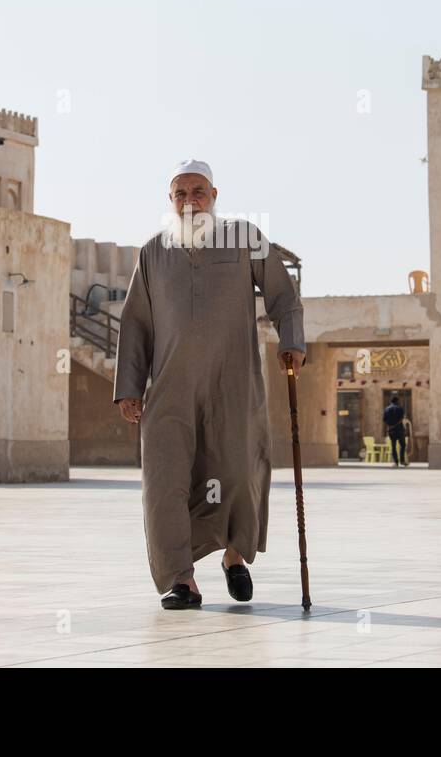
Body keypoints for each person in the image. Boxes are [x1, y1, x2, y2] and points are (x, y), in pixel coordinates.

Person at [113, 159, 307, 610]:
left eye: (197, 192)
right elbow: (135, 324)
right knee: (164, 485)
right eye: (180, 194)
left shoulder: (245, 239)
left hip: (232, 385)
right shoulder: (153, 252)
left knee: (238, 474)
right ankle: (182, 580)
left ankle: (235, 555)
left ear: (214, 197)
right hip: (169, 390)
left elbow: (283, 295)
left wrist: (291, 341)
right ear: (170, 201)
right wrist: (129, 387)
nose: (189, 201)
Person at [382, 396, 408, 467]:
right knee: (402, 445)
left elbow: (384, 419)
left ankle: (396, 462)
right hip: (399, 429)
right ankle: (402, 461)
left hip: (391, 430)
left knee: (393, 446)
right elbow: (402, 417)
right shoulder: (400, 408)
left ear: (391, 401)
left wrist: (390, 424)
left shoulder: (387, 409)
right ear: (397, 401)